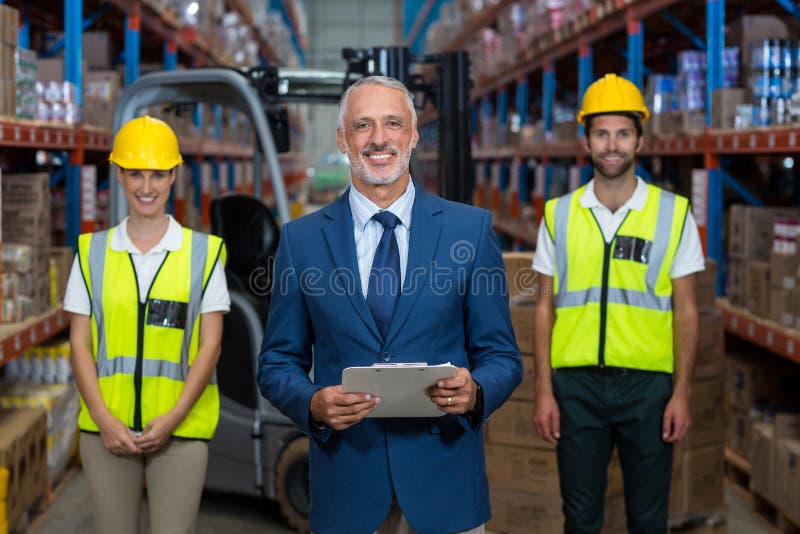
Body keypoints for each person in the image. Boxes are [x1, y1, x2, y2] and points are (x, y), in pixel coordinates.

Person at [258, 75, 522, 534]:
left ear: (414, 135)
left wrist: (476, 392)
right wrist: (313, 403)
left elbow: (502, 356)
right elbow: (277, 362)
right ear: (342, 139)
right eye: (363, 125)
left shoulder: (470, 232)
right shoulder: (302, 242)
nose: (379, 138)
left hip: (444, 485)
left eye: (393, 123)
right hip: (348, 487)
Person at [532, 73, 705, 534]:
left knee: (648, 521)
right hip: (575, 389)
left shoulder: (674, 214)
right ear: (586, 141)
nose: (612, 145)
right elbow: (544, 307)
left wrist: (682, 393)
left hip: (648, 390)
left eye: (623, 133)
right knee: (580, 519)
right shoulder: (558, 214)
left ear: (640, 141)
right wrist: (544, 391)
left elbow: (687, 311)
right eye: (602, 133)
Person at [65, 116, 230, 534]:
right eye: (135, 173)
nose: (146, 186)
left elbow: (210, 346)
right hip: (107, 432)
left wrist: (173, 418)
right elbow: (79, 344)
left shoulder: (203, 254)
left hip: (180, 431)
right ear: (119, 175)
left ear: (173, 176)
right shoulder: (91, 252)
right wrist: (103, 419)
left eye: (157, 174)